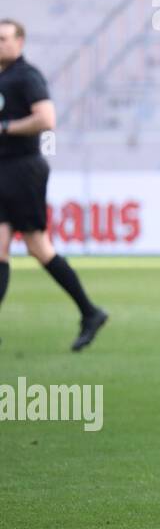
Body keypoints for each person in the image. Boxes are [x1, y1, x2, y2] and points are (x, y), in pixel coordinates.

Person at [0, 19, 109, 351]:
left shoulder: (26, 76)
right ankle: (90, 313)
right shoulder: (4, 78)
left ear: (20, 42)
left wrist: (6, 128)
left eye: (3, 38)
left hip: (23, 169)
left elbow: (46, 119)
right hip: (3, 169)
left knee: (38, 246)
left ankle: (90, 311)